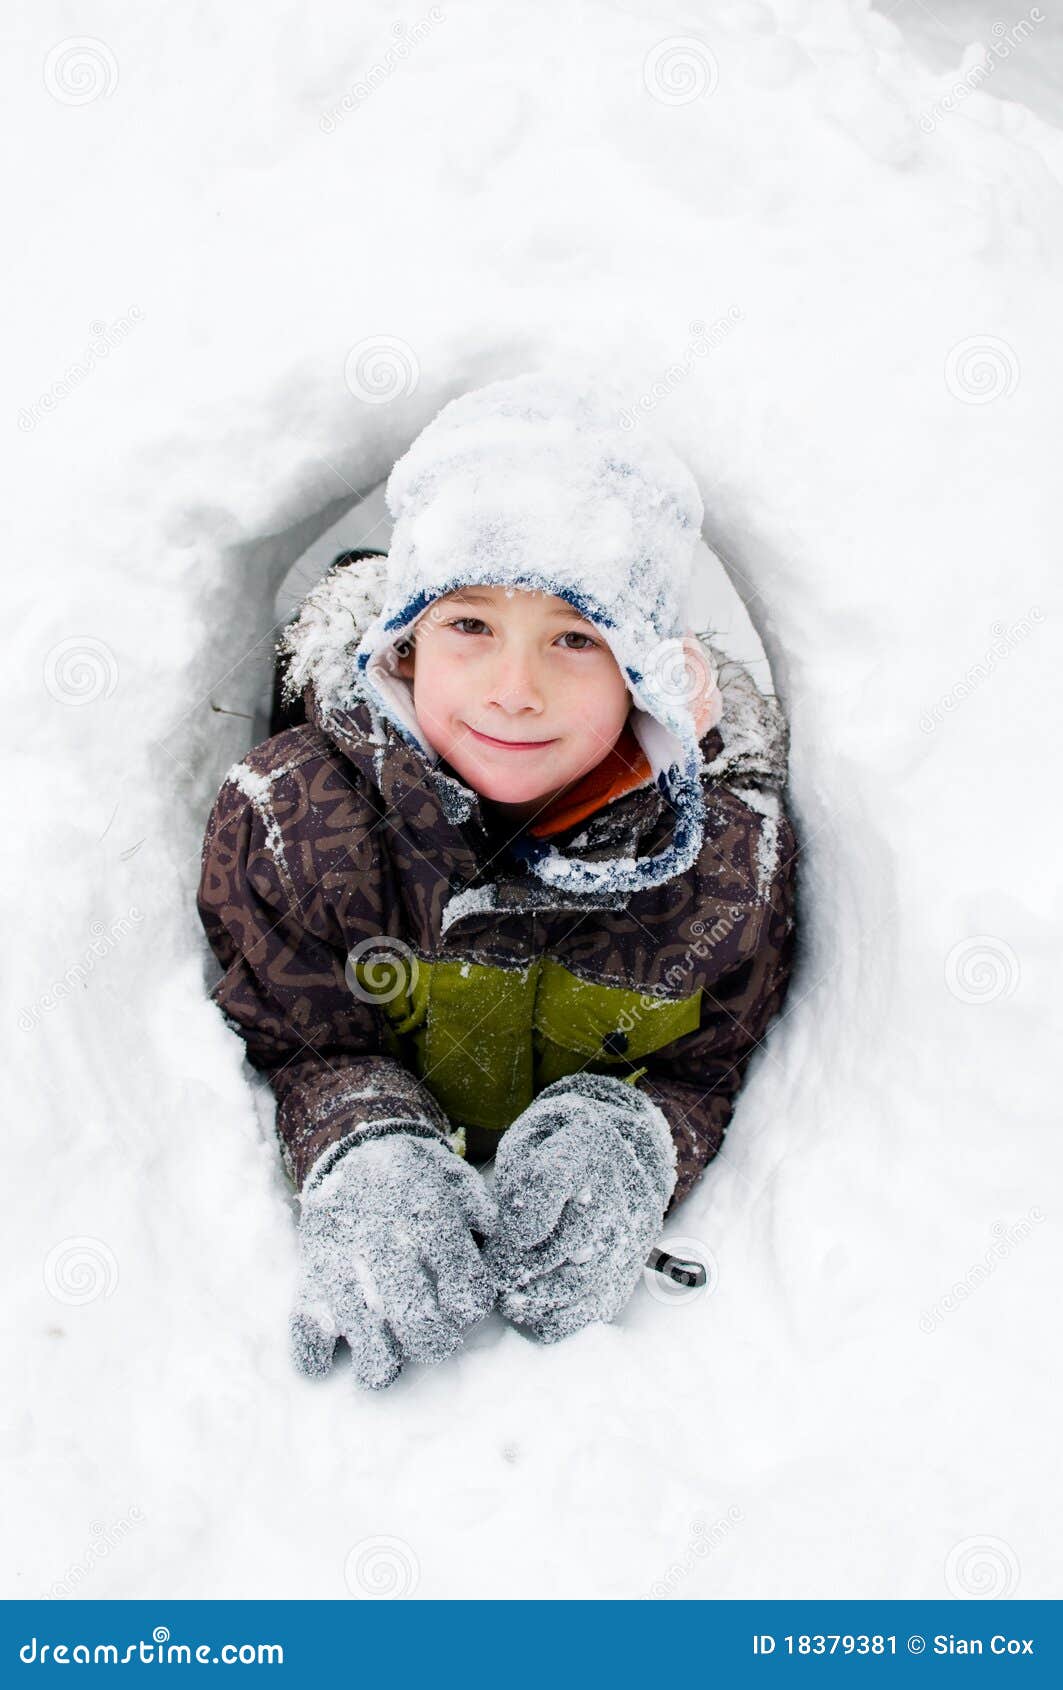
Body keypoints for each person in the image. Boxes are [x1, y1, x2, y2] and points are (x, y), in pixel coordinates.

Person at [196, 371, 798, 1392]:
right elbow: (294, 1043)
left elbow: (711, 1063)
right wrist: (361, 1138)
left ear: (645, 670)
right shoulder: (295, 825)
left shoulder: (727, 865)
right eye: (469, 626)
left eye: (575, 638)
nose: (514, 691)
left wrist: (635, 1137)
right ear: (404, 643)